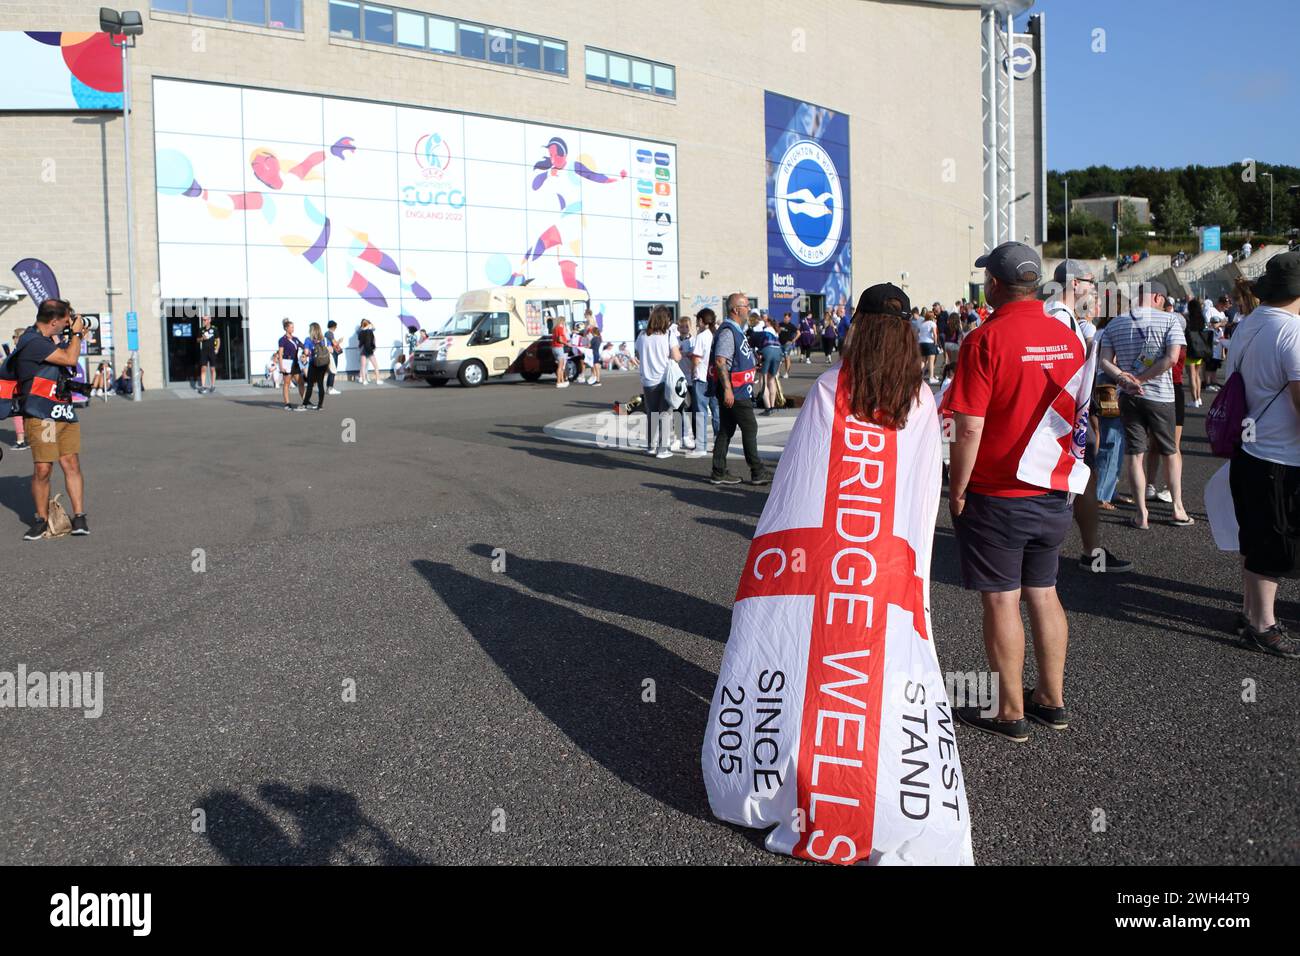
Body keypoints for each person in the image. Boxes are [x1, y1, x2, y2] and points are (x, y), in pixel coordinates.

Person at [946, 242, 1087, 741]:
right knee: (1045, 593)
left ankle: (1010, 711)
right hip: (1051, 488)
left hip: (998, 491)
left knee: (1002, 601)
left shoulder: (984, 340)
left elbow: (968, 429)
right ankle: (1052, 698)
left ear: (996, 285)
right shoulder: (1068, 340)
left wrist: (956, 488)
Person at [1225, 252, 1300, 658]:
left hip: (1249, 449)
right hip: (1282, 456)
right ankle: (1262, 624)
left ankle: (1251, 611)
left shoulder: (1249, 324)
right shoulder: (1294, 332)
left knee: (1254, 537)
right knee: (1275, 544)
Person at [1045, 259, 1132, 573]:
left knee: (1082, 479)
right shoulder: (1058, 317)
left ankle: (1090, 551)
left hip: (1065, 419)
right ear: (1074, 284)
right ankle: (1085, 553)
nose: (1095, 291)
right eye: (1091, 283)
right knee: (1076, 479)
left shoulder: (1063, 316)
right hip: (1058, 420)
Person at [1097, 280, 1191, 529]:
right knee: (1170, 452)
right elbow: (1172, 359)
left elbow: (1104, 361)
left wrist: (1124, 379)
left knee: (1134, 455)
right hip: (1161, 396)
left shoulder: (1115, 322)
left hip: (1128, 396)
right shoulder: (1170, 320)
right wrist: (1142, 378)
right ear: (1158, 298)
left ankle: (1141, 514)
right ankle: (1178, 509)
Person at [13, 299, 91, 539]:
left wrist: (73, 337)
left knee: (71, 463)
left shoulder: (47, 340)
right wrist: (76, 334)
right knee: (43, 468)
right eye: (67, 319)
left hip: (63, 411)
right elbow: (69, 359)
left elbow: (67, 365)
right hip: (42, 415)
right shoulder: (32, 341)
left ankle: (79, 517)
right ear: (54, 321)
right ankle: (40, 519)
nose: (69, 323)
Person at [709, 292, 768, 486]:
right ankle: (757, 471)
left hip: (738, 388)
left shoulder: (736, 330)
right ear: (736, 309)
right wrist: (727, 390)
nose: (749, 309)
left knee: (726, 429)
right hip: (735, 390)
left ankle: (718, 471)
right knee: (750, 427)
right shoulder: (728, 331)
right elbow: (720, 361)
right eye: (746, 306)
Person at [634, 305, 681, 458]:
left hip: (648, 380)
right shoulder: (668, 335)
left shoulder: (642, 335)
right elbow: (677, 356)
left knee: (651, 413)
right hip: (664, 378)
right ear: (665, 319)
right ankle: (663, 449)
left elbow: (638, 355)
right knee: (665, 414)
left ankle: (651, 446)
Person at [690, 308, 717, 455]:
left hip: (701, 376)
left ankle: (701, 446)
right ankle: (719, 444)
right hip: (714, 376)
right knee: (716, 411)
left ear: (701, 321)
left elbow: (696, 358)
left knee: (700, 412)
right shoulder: (716, 334)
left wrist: (692, 370)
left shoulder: (701, 336)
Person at [1184, 299, 1210, 407]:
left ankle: (1194, 399)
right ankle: (1198, 398)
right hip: (1199, 349)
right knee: (1197, 374)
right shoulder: (1202, 318)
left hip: (1190, 349)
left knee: (1191, 375)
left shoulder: (1187, 318)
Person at [276, 318, 306, 410]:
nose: (293, 329)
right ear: (286, 328)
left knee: (300, 382)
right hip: (287, 363)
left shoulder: (296, 339)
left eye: (293, 327)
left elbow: (304, 346)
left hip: (295, 363)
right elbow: (280, 354)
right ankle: (287, 403)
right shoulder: (282, 340)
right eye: (291, 327)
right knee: (287, 383)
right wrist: (281, 366)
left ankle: (305, 401)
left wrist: (309, 346)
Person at [757, 313, 783, 415]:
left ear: (768, 322)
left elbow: (759, 344)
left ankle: (767, 407)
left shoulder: (765, 331)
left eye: (765, 320)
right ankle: (772, 406)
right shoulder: (776, 332)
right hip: (778, 351)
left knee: (762, 380)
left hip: (768, 350)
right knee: (771, 380)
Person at [300, 322, 331, 409]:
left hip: (313, 363)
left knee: (310, 385)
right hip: (324, 364)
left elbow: (306, 352)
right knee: (320, 384)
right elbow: (331, 350)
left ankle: (305, 404)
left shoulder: (308, 340)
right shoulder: (324, 339)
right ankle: (320, 405)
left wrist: (310, 352)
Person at [196, 315, 220, 394]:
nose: (204, 321)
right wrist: (202, 338)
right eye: (203, 320)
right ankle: (203, 386)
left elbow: (218, 340)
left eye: (205, 320)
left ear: (209, 320)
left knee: (212, 369)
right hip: (204, 351)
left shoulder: (214, 329)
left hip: (212, 351)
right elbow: (198, 340)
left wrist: (216, 349)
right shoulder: (201, 329)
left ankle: (212, 385)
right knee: (203, 368)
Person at [357, 318, 380, 385]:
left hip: (363, 350)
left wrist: (366, 325)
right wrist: (369, 324)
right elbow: (374, 328)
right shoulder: (370, 331)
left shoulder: (360, 332)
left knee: (363, 366)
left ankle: (364, 380)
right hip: (369, 350)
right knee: (375, 366)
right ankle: (378, 380)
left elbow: (359, 341)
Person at [583, 312, 602, 386]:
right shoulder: (599, 338)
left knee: (595, 366)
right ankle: (597, 379)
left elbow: (589, 346)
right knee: (596, 366)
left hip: (594, 353)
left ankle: (597, 380)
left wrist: (584, 347)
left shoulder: (594, 338)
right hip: (596, 353)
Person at [325, 319, 343, 395]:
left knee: (331, 370)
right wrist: (339, 341)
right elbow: (335, 344)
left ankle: (329, 388)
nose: (336, 328)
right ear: (333, 327)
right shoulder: (330, 333)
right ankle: (330, 388)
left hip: (330, 353)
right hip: (332, 353)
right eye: (335, 326)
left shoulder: (327, 333)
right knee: (333, 370)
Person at [551, 316, 571, 388]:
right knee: (560, 366)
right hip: (559, 347)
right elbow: (560, 339)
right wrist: (567, 343)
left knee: (559, 366)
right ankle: (559, 382)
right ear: (562, 321)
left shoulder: (554, 328)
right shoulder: (560, 328)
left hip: (554, 347)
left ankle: (562, 381)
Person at [777, 311, 798, 378]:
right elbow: (777, 331)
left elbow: (798, 333)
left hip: (787, 343)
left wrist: (793, 340)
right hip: (780, 343)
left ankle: (786, 373)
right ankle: (777, 372)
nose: (785, 319)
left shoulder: (791, 326)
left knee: (786, 357)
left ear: (789, 318)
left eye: (787, 318)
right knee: (778, 358)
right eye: (784, 318)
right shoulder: (780, 324)